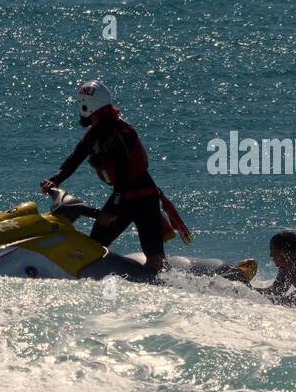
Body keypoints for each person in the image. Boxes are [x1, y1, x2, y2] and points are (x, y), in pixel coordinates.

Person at [40, 82, 190, 276]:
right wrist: (56, 180)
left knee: (154, 258)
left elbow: (123, 174)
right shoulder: (94, 134)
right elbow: (75, 158)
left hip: (142, 198)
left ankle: (165, 286)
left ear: (88, 106)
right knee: (94, 245)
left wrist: (111, 209)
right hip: (126, 196)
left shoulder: (118, 134)